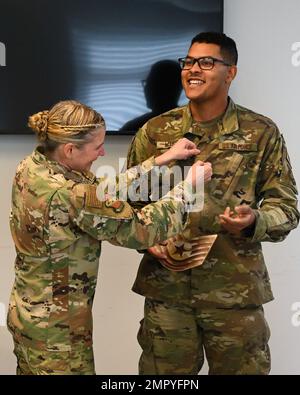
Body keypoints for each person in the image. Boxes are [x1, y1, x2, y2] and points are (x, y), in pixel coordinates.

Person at [126, 32, 299, 375]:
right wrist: (149, 240)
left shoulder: (261, 132)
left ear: (230, 72)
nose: (193, 69)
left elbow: (287, 207)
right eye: (188, 62)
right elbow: (128, 202)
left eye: (206, 62)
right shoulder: (156, 132)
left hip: (233, 296)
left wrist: (254, 221)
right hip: (168, 294)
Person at [7, 100, 212, 375]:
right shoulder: (72, 194)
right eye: (97, 147)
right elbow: (141, 229)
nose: (102, 153)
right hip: (58, 336)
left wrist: (160, 160)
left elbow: (97, 194)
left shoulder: (32, 167)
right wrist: (188, 188)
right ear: (69, 149)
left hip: (27, 315)